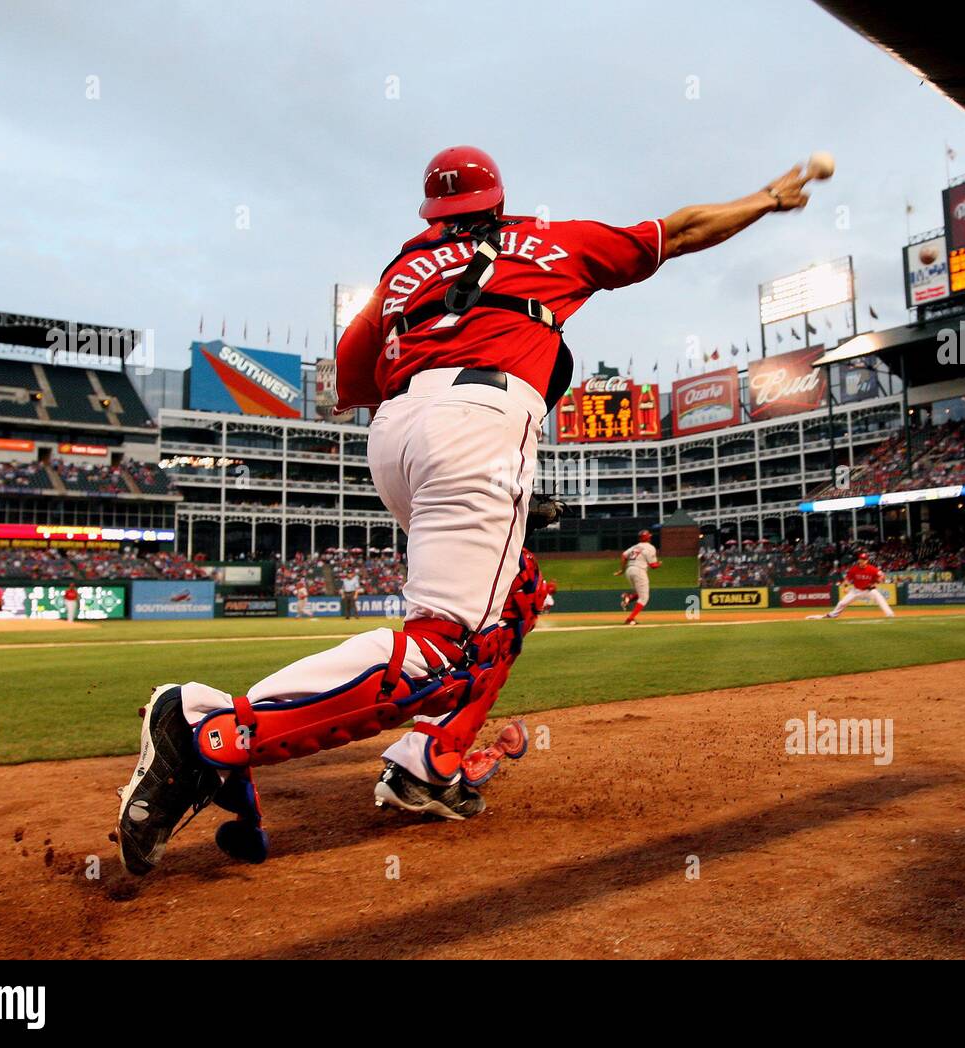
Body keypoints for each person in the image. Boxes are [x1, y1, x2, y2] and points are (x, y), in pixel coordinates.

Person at [115, 144, 823, 876]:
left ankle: (431, 760)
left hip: (397, 434)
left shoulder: (402, 268)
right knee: (442, 653)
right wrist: (766, 198)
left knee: (516, 592)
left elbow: (352, 383)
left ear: (433, 212)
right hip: (481, 420)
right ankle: (205, 725)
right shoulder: (548, 240)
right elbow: (680, 230)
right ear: (499, 199)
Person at [809, 550, 894, 620]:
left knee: (880, 599)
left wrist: (876, 582)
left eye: (864, 559)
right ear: (859, 560)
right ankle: (832, 615)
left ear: (867, 561)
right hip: (856, 591)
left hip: (869, 590)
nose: (862, 561)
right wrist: (845, 587)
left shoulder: (872, 569)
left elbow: (882, 576)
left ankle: (890, 614)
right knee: (842, 603)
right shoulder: (854, 569)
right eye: (861, 559)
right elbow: (847, 579)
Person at [617, 529, 661, 625]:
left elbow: (624, 556)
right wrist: (659, 564)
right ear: (648, 538)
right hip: (639, 570)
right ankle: (630, 619)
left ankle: (628, 597)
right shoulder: (650, 547)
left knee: (640, 593)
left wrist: (622, 570)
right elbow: (653, 565)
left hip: (629, 570)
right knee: (644, 598)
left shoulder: (635, 547)